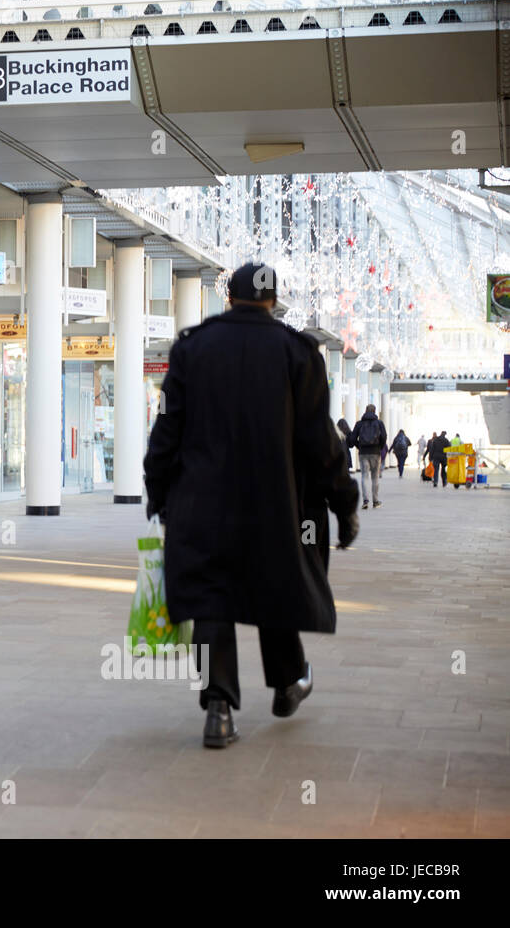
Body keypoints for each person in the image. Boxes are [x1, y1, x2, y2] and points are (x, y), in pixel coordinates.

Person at [144, 263, 358, 750]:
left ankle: (218, 709)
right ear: (273, 301)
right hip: (277, 504)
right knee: (276, 585)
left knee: (211, 598)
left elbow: (167, 431)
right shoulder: (296, 353)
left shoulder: (192, 348)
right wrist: (344, 504)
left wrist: (158, 492)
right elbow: (319, 442)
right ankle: (287, 682)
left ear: (230, 298)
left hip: (202, 503)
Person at [351, 403, 387, 508]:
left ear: (365, 411)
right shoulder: (379, 423)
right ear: (375, 411)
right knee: (375, 477)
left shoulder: (359, 424)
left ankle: (365, 501)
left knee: (364, 476)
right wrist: (380, 447)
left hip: (363, 453)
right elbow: (384, 437)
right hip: (375, 452)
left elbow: (353, 439)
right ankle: (375, 501)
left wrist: (359, 446)